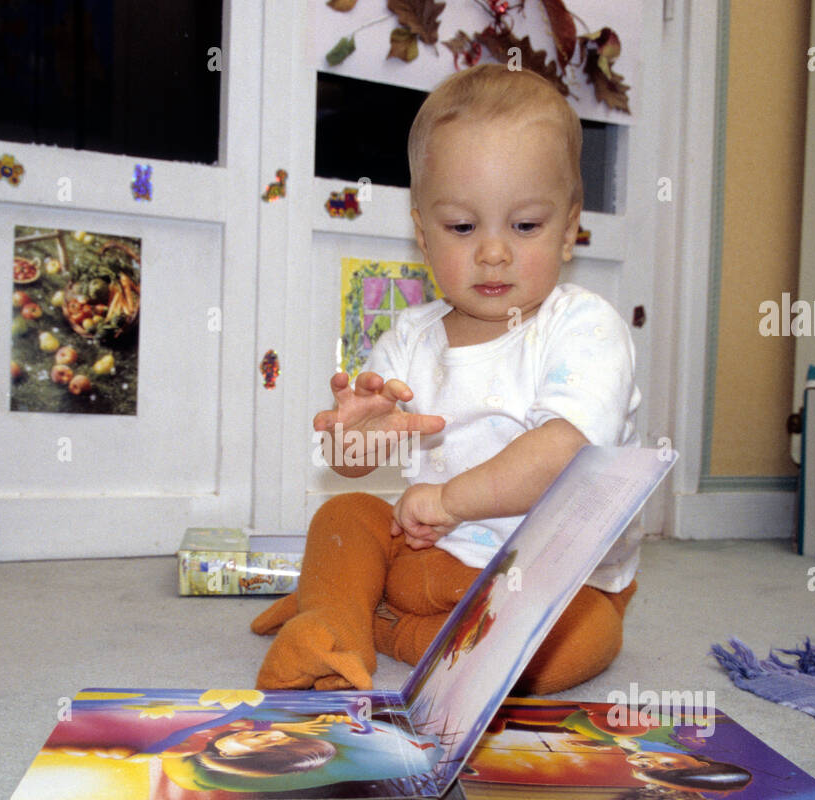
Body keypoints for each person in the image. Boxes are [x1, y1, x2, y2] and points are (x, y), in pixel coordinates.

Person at [253, 63, 641, 694]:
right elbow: (354, 464)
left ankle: (386, 630)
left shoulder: (583, 328)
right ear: (423, 235)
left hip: (546, 579)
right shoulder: (411, 337)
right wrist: (358, 436)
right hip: (424, 551)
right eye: (462, 227)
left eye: (525, 226)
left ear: (570, 229)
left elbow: (564, 453)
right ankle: (330, 625)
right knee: (345, 516)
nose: (493, 252)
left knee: (582, 639)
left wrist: (451, 500)